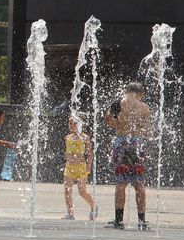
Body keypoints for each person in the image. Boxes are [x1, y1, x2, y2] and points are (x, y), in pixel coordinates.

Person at [104, 81, 152, 230]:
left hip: (122, 143)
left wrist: (117, 122)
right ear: (139, 93)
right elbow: (148, 131)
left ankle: (119, 221)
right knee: (139, 183)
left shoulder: (118, 103)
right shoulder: (144, 107)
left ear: (127, 91)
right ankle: (142, 221)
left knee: (121, 183)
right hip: (138, 143)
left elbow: (110, 123)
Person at [62, 113, 98, 221]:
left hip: (81, 168)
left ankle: (93, 205)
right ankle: (70, 213)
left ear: (80, 124)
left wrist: (89, 166)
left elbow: (90, 153)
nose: (72, 125)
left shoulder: (84, 137)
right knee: (67, 190)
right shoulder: (67, 138)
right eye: (70, 123)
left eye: (75, 123)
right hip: (69, 167)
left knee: (81, 191)